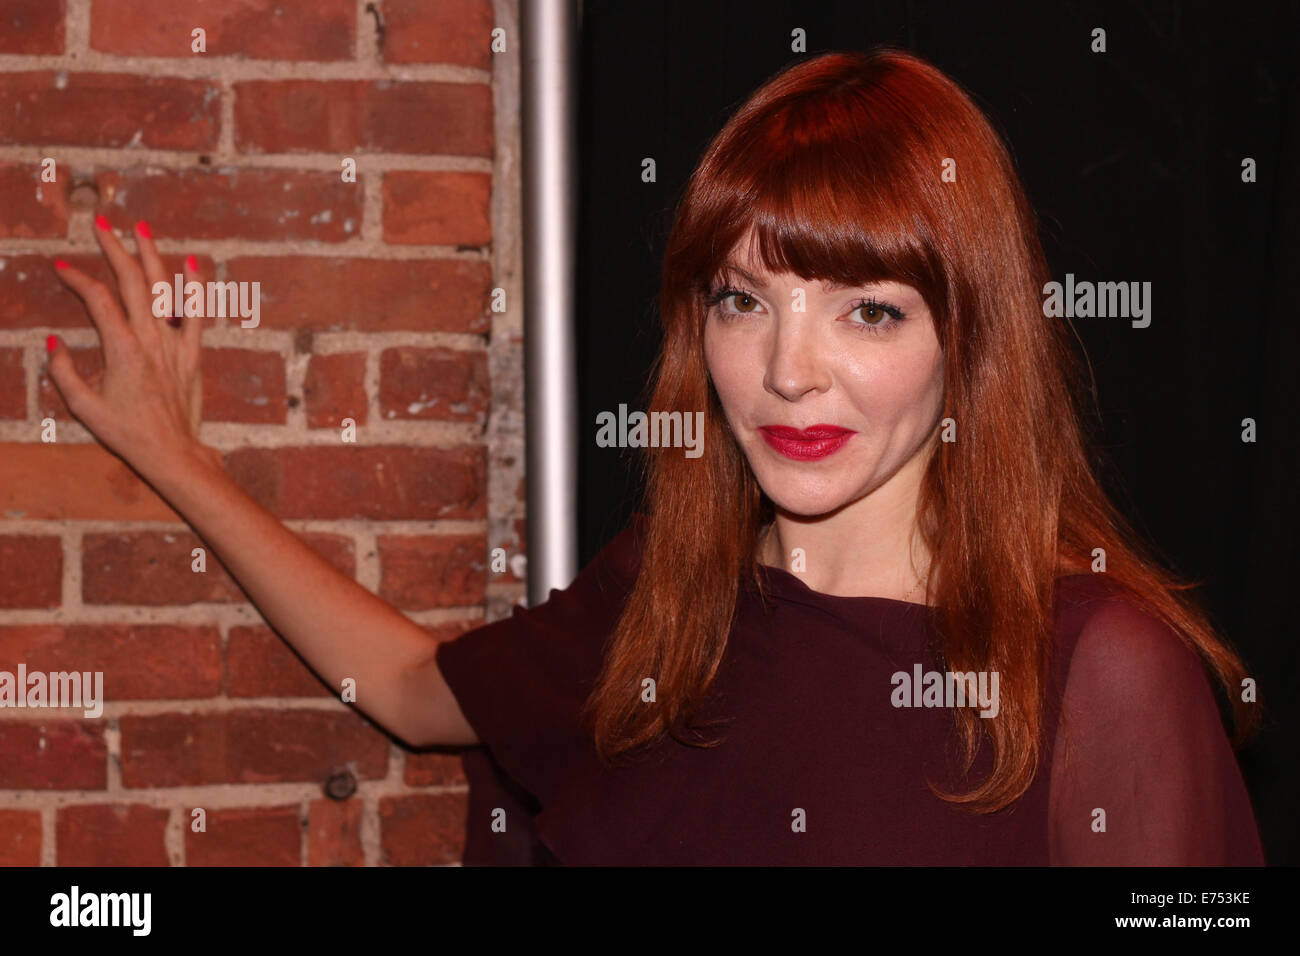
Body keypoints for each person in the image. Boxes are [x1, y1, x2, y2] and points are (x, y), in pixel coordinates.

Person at [43, 47, 1264, 866]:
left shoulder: (1095, 671)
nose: (790, 370)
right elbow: (411, 689)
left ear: (971, 340)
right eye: (743, 302)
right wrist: (172, 454)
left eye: (868, 311)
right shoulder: (668, 599)